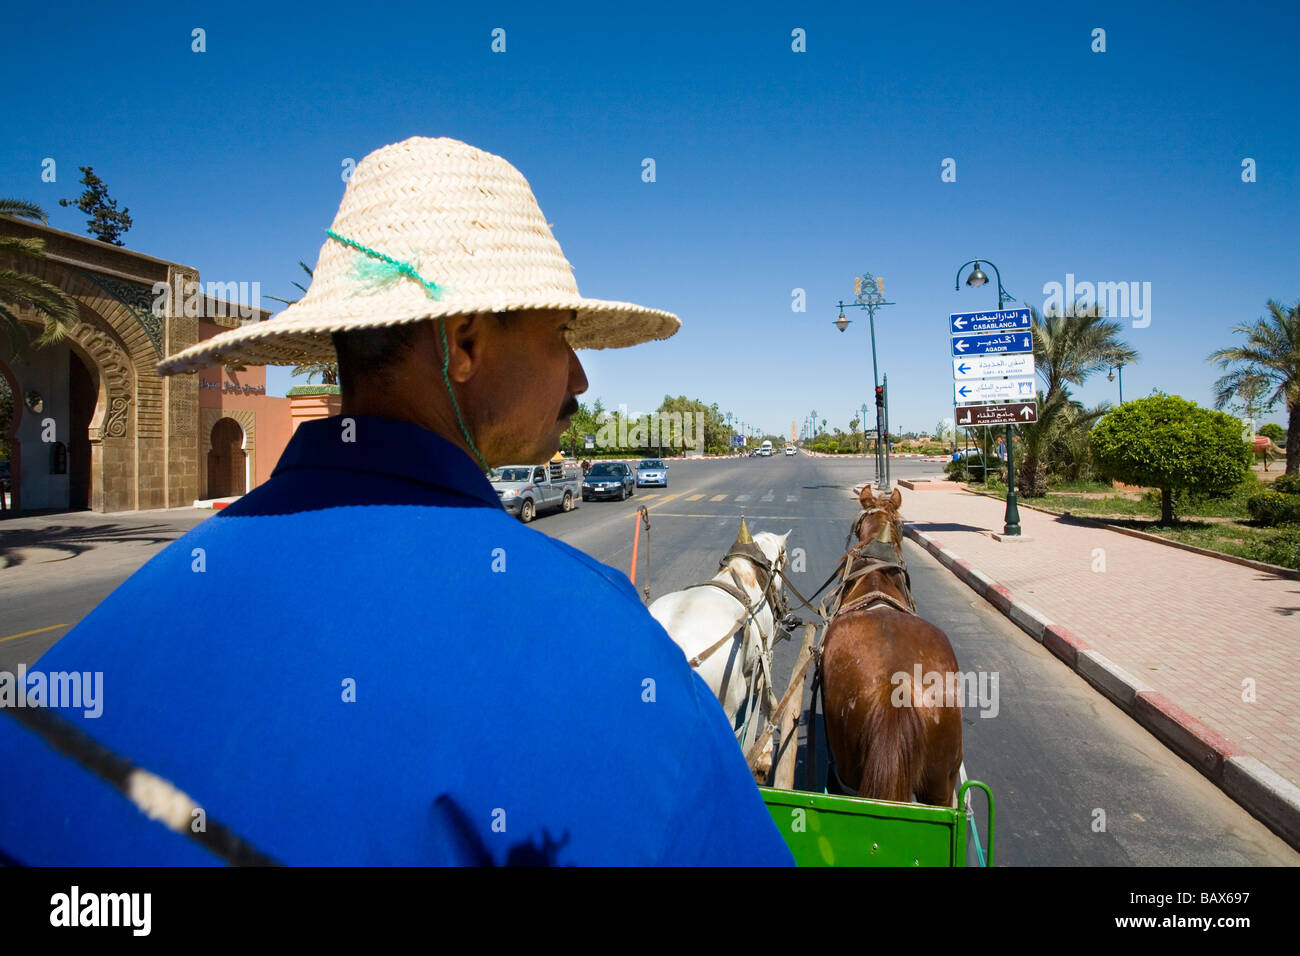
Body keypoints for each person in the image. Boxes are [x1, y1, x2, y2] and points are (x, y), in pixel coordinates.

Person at [0, 137, 793, 866]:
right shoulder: (600, 638)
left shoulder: (83, 661)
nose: (580, 377)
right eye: (561, 333)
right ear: (465, 344)